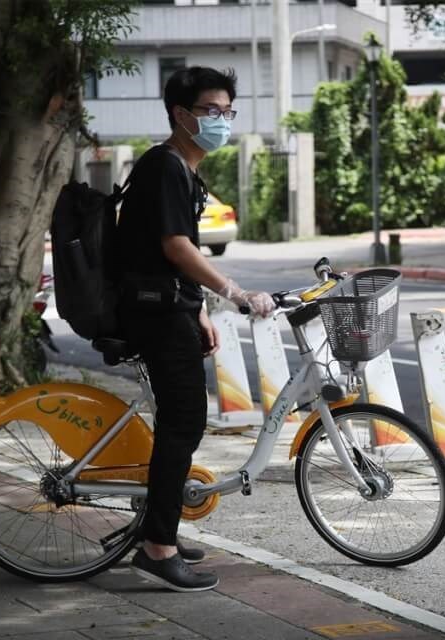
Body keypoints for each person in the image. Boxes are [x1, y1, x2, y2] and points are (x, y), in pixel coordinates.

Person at [116, 66, 276, 592]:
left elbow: (168, 256)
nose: (222, 120)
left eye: (229, 111)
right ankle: (158, 546)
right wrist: (234, 293)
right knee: (184, 419)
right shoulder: (165, 167)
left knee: (180, 421)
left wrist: (199, 309)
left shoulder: (181, 169)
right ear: (181, 115)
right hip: (153, 315)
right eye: (211, 111)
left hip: (169, 308)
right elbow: (175, 246)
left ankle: (158, 525)